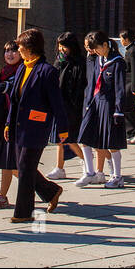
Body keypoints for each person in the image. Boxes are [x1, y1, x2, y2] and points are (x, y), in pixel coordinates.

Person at [0, 28, 71, 223]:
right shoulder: (23, 68)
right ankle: (51, 191)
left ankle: (23, 213)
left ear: (31, 48)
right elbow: (15, 100)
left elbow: (57, 103)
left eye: (21, 47)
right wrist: (8, 123)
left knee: (24, 167)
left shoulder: (47, 71)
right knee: (24, 166)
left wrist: (63, 128)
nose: (18, 50)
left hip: (37, 127)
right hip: (18, 126)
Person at [77, 30, 128, 188]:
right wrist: (88, 102)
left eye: (96, 48)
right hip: (95, 102)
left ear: (105, 45)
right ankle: (90, 172)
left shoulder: (117, 62)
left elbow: (120, 88)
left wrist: (119, 110)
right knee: (84, 135)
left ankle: (117, 176)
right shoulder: (98, 59)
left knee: (111, 141)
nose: (95, 51)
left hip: (109, 104)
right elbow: (92, 82)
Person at [0, 39, 23, 209]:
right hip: (5, 122)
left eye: (14, 51)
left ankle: (2, 196)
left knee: (9, 161)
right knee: (8, 162)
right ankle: (44, 188)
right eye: (7, 51)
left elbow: (15, 87)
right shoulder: (4, 72)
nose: (10, 54)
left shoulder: (22, 71)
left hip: (17, 122)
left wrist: (6, 86)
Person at [47, 31, 86, 180]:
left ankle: (85, 162)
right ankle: (59, 167)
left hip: (71, 105)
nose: (62, 49)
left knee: (69, 138)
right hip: (58, 104)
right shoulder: (59, 60)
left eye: (64, 46)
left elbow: (79, 84)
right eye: (60, 46)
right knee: (59, 139)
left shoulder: (79, 62)